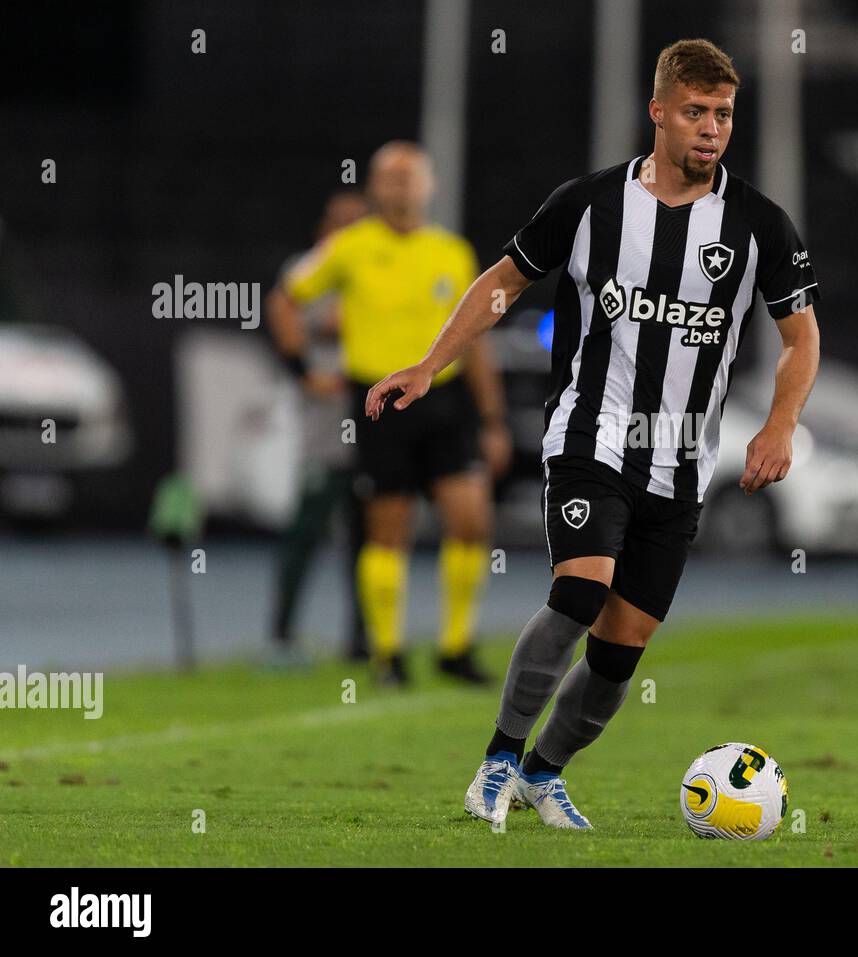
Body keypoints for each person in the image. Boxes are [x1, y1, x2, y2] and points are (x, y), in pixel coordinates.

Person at [366, 39, 820, 827]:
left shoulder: (758, 226)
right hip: (591, 432)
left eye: (723, 115)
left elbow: (801, 337)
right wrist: (431, 362)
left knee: (619, 652)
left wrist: (781, 424)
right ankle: (498, 762)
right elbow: (504, 281)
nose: (711, 129)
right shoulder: (587, 205)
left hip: (681, 461)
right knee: (580, 589)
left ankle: (544, 772)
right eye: (695, 113)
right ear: (658, 113)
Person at [282, 142, 511, 686]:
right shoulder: (349, 247)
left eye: (410, 177)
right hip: (381, 402)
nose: (401, 187)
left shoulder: (452, 252)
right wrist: (301, 368)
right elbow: (286, 297)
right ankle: (388, 653)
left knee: (472, 521)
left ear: (429, 186)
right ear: (374, 188)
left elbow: (475, 342)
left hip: (446, 400)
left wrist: (493, 417)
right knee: (389, 531)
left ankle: (455, 646)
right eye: (390, 178)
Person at [266, 189, 370, 664]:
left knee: (368, 535)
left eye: (357, 221)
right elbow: (283, 307)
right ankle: (282, 634)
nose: (348, 229)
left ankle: (364, 640)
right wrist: (304, 372)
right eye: (340, 221)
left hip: (371, 423)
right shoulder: (309, 270)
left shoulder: (377, 266)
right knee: (306, 529)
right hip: (324, 428)